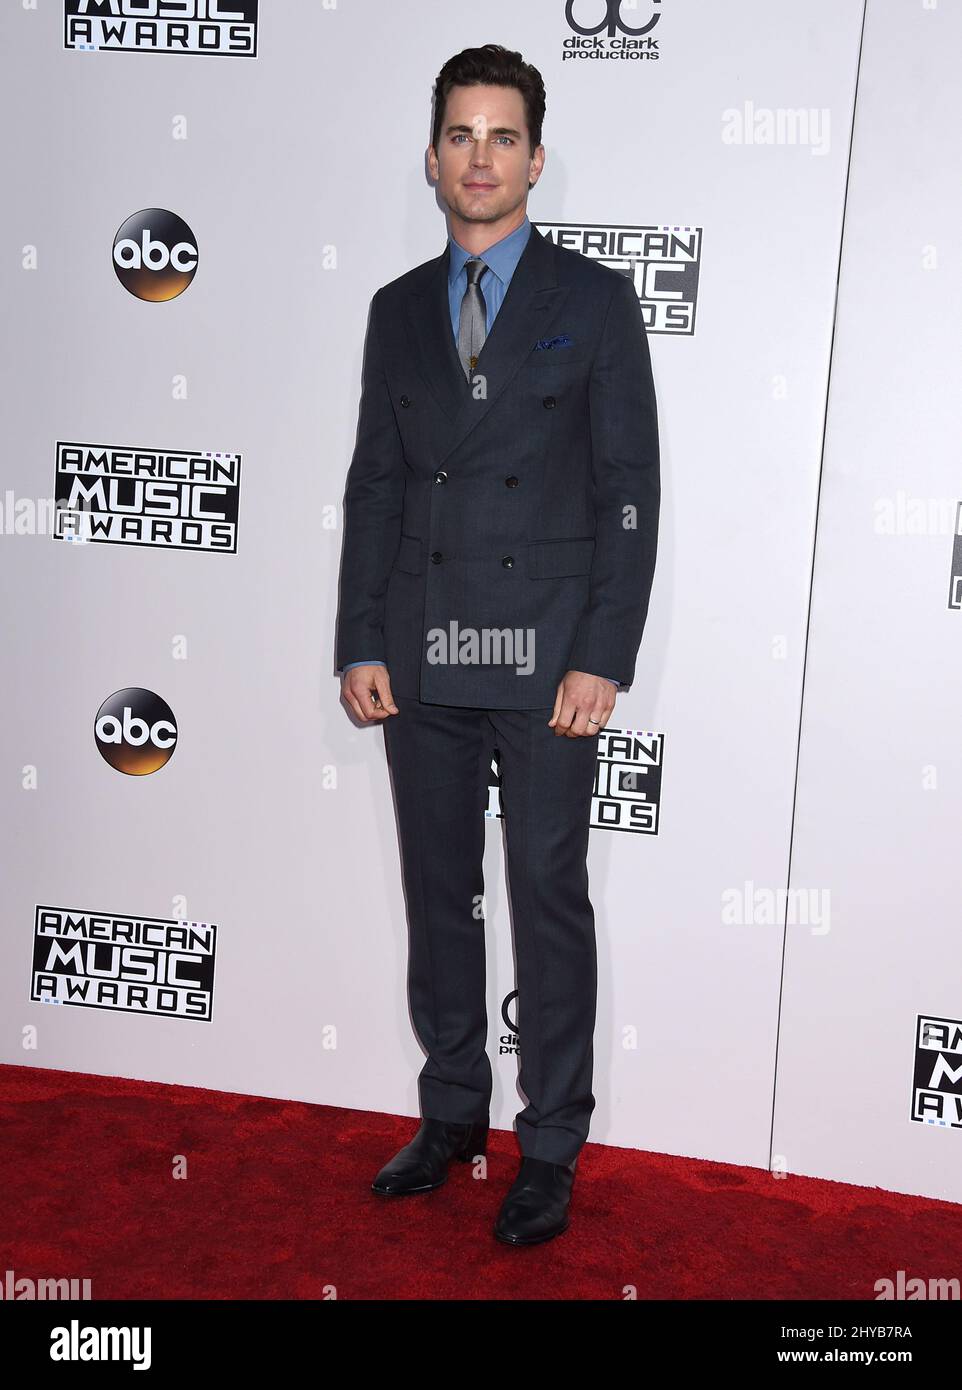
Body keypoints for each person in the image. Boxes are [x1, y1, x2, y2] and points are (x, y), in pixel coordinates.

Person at [335, 43, 660, 1245]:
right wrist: (360, 633)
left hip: (545, 658)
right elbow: (373, 483)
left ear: (534, 155)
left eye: (502, 136)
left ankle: (551, 1143)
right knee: (437, 892)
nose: (480, 157)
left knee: (543, 892)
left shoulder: (592, 299)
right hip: (420, 646)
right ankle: (452, 1112)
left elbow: (629, 486)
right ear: (433, 159)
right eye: (460, 136)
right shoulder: (392, 311)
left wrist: (602, 652)